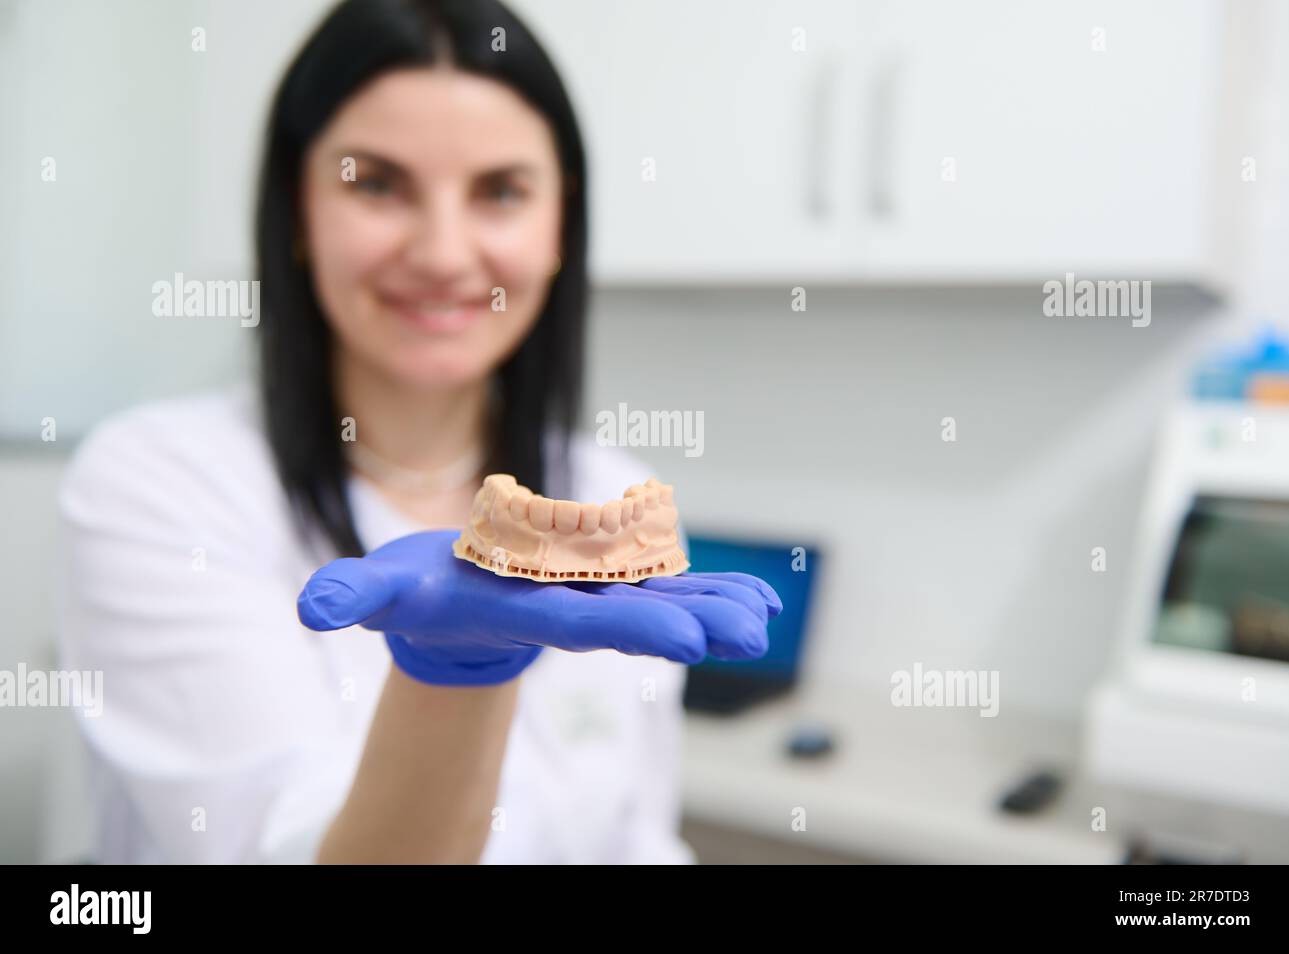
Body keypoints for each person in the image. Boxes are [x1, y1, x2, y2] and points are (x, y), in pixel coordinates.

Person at [56, 0, 778, 864]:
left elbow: (635, 840)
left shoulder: (611, 486)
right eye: (378, 183)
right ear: (297, 210)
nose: (442, 252)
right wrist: (453, 679)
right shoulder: (159, 487)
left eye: (501, 192)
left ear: (559, 225)